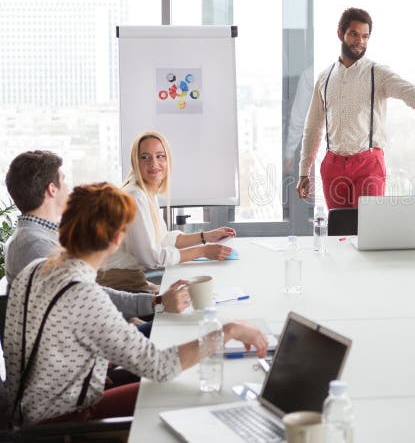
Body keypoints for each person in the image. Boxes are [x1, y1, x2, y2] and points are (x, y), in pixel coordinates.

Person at [3, 183, 268, 425]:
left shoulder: (39, 269)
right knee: (185, 389)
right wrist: (227, 332)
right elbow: (160, 366)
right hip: (66, 419)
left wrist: (157, 304)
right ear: (118, 239)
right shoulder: (84, 295)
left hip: (33, 404)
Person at [296, 7, 415, 208]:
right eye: (354, 34)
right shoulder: (325, 77)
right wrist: (304, 171)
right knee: (338, 232)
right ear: (340, 33)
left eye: (365, 36)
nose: (360, 41)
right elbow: (313, 127)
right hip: (333, 166)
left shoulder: (377, 73)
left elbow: (406, 91)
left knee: (368, 231)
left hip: (368, 165)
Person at [3, 151, 189, 325]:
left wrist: (135, 316)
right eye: (64, 180)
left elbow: (87, 294)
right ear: (52, 189)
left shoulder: (43, 235)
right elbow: (85, 299)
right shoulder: (36, 246)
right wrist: (154, 303)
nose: (68, 187)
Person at [97, 131, 236, 293]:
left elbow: (162, 239)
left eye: (160, 156)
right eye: (145, 157)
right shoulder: (134, 196)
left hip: (131, 278)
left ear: (168, 160)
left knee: (188, 295)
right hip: (118, 283)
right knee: (187, 299)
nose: (154, 164)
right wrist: (203, 251)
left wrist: (205, 237)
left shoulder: (146, 192)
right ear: (135, 162)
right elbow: (151, 257)